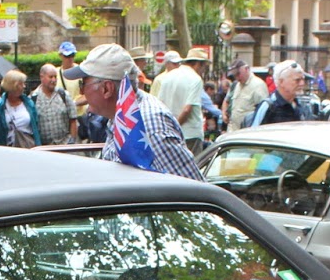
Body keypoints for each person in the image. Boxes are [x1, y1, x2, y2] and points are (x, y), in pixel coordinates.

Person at [63, 42, 205, 180]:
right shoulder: (125, 117)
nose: (81, 91)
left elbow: (194, 192)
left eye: (83, 83)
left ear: (106, 89)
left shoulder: (148, 125)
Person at [151, 47, 206, 153]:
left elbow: (159, 104)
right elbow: (187, 109)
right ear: (199, 64)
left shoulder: (168, 76)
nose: (204, 70)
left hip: (169, 134)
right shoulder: (195, 79)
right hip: (190, 134)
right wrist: (176, 126)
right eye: (204, 67)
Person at [247, 62, 317, 127]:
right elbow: (253, 134)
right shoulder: (268, 106)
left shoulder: (302, 106)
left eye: (303, 79)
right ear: (281, 82)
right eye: (297, 80)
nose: (302, 83)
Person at [0, 70, 40, 148]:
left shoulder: (29, 104)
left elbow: (36, 127)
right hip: (7, 151)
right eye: (21, 83)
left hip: (28, 148)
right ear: (14, 86)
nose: (24, 86)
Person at [29, 63, 76, 145]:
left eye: (55, 77)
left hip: (64, 144)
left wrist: (71, 141)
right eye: (50, 77)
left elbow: (73, 119)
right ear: (42, 77)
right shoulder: (33, 98)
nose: (53, 80)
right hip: (44, 148)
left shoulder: (64, 95)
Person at [224, 58, 268, 132]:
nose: (237, 78)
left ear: (246, 69)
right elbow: (227, 102)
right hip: (233, 130)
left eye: (238, 74)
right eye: (235, 75)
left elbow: (263, 112)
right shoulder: (236, 85)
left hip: (247, 131)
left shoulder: (258, 85)